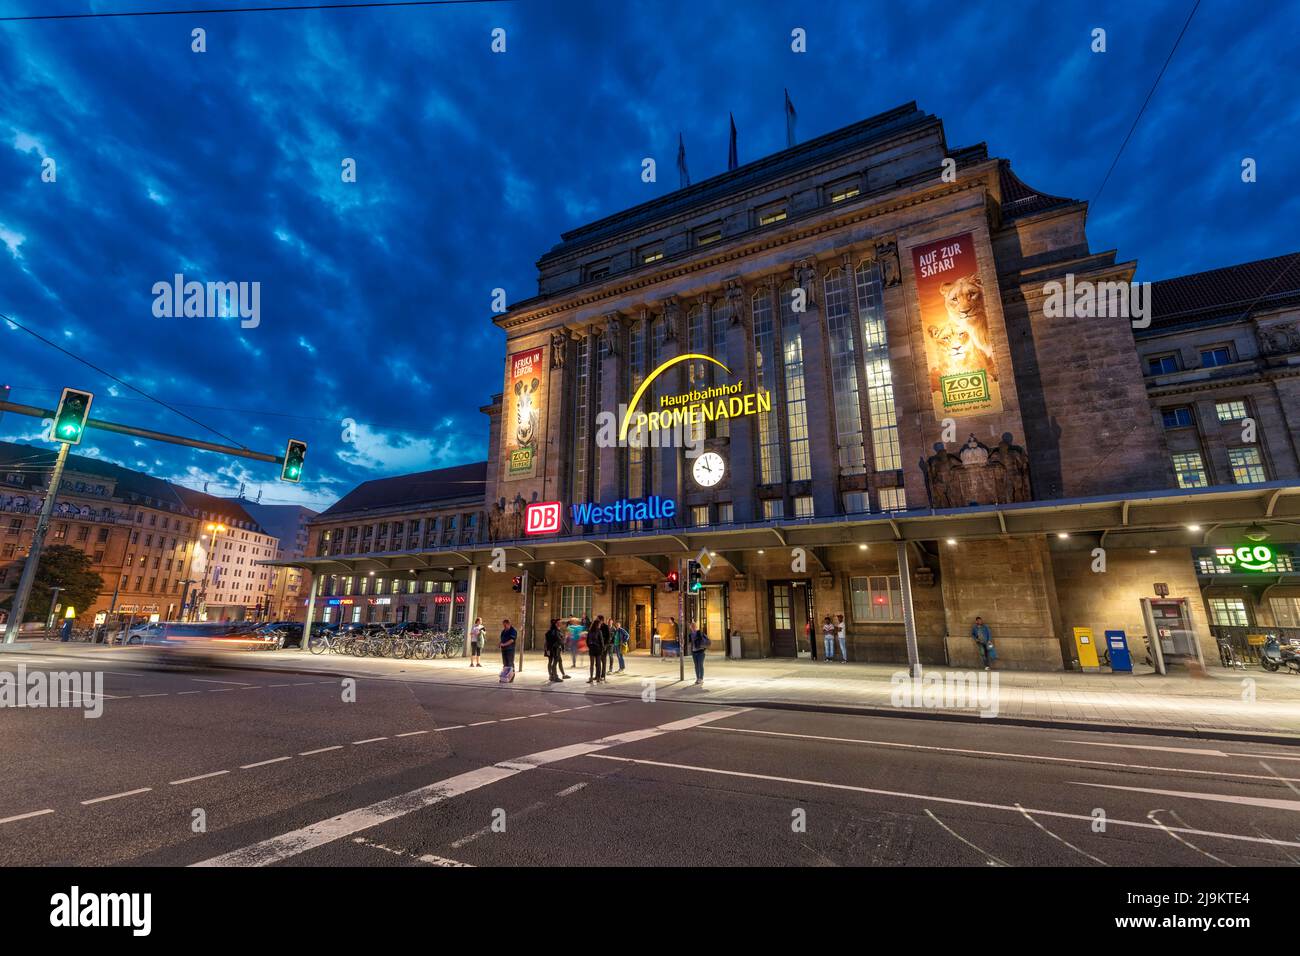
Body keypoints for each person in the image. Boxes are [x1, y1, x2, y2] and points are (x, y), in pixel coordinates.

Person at [688, 621, 710, 685]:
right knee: (696, 666)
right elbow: (690, 643)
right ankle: (698, 678)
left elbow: (705, 640)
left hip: (701, 652)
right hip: (694, 652)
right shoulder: (690, 634)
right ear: (690, 627)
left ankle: (701, 678)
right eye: (692, 626)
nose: (693, 627)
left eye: (694, 626)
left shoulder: (699, 633)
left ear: (696, 626)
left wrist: (703, 648)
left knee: (700, 665)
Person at [587, 614, 607, 683]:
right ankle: (596, 678)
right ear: (597, 625)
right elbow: (601, 641)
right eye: (599, 624)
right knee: (596, 664)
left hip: (593, 649)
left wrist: (590, 646)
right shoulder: (598, 631)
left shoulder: (591, 631)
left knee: (593, 664)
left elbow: (587, 641)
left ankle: (593, 678)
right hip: (596, 649)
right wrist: (602, 648)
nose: (600, 625)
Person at [544, 618, 565, 683]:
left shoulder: (553, 631)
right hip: (555, 649)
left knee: (554, 661)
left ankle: (553, 675)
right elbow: (559, 640)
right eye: (559, 622)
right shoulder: (555, 631)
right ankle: (554, 676)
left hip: (553, 648)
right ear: (556, 624)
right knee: (554, 662)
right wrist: (562, 647)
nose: (560, 623)